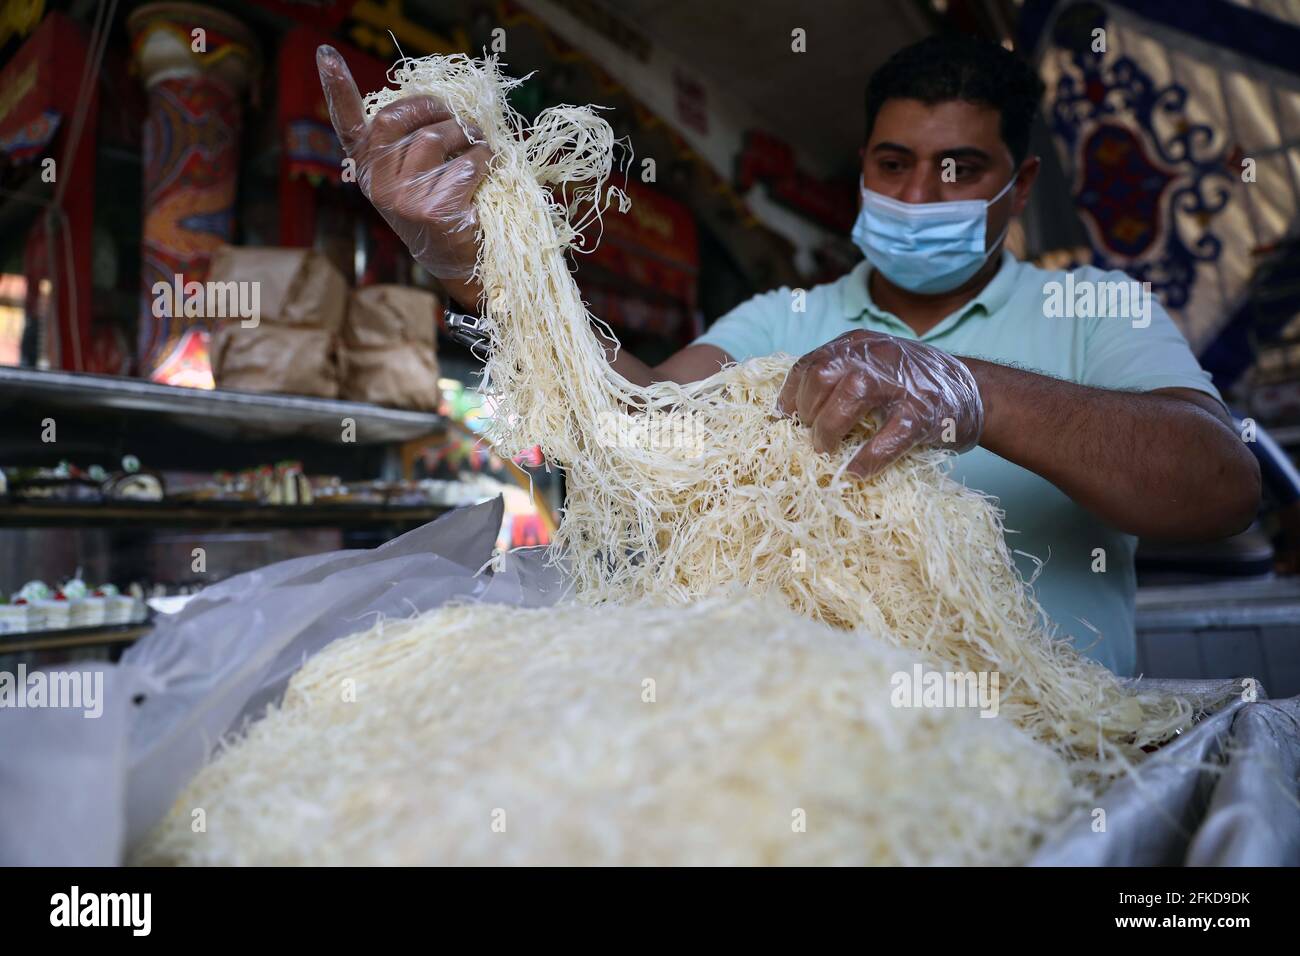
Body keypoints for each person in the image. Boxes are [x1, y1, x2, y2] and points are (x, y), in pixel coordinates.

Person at [316, 34, 1259, 675]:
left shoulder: (1093, 309)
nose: (921, 193)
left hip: (1055, 756)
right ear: (863, 171)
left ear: (1020, 189)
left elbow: (1220, 488)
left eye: (960, 169)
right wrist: (485, 262)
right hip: (825, 754)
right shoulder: (784, 319)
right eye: (894, 163)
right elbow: (628, 425)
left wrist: (970, 391)